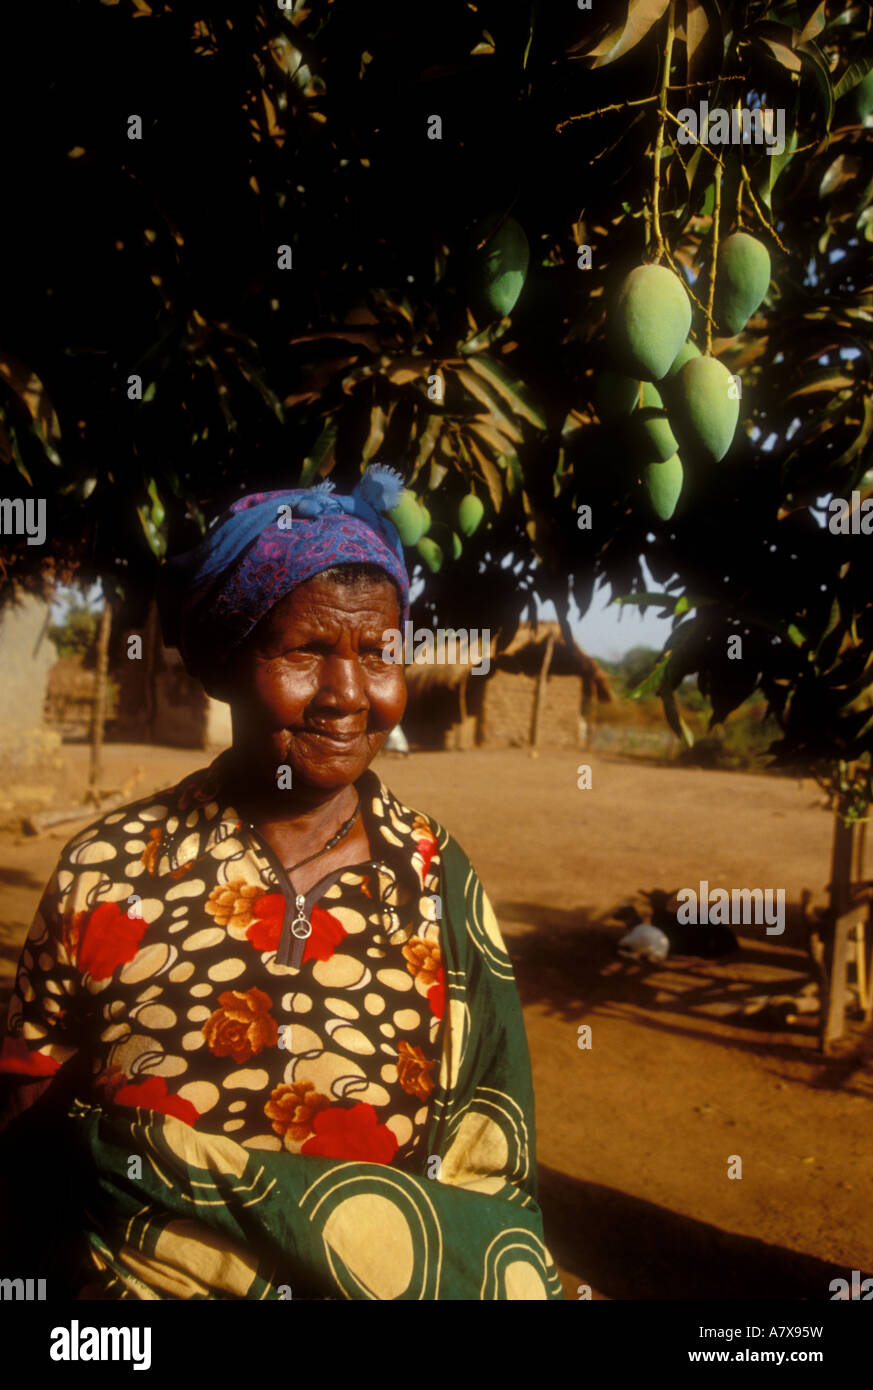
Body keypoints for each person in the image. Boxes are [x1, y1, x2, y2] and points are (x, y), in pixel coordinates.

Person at [0, 464, 563, 1301]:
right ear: (226, 664)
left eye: (377, 653)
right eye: (307, 651)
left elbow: (488, 1159)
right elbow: (25, 1113)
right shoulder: (109, 865)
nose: (347, 695)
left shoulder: (436, 877)